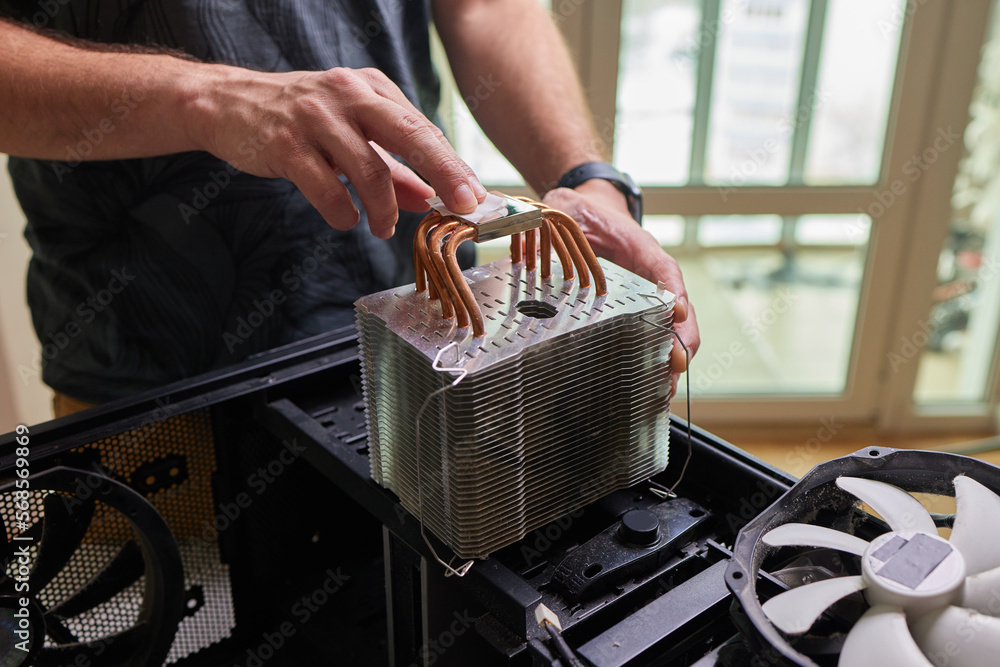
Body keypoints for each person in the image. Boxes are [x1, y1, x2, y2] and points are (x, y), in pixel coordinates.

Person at [0, 0, 698, 415]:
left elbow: (482, 5)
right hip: (149, 363)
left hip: (424, 329)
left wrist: (586, 178)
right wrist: (200, 97)